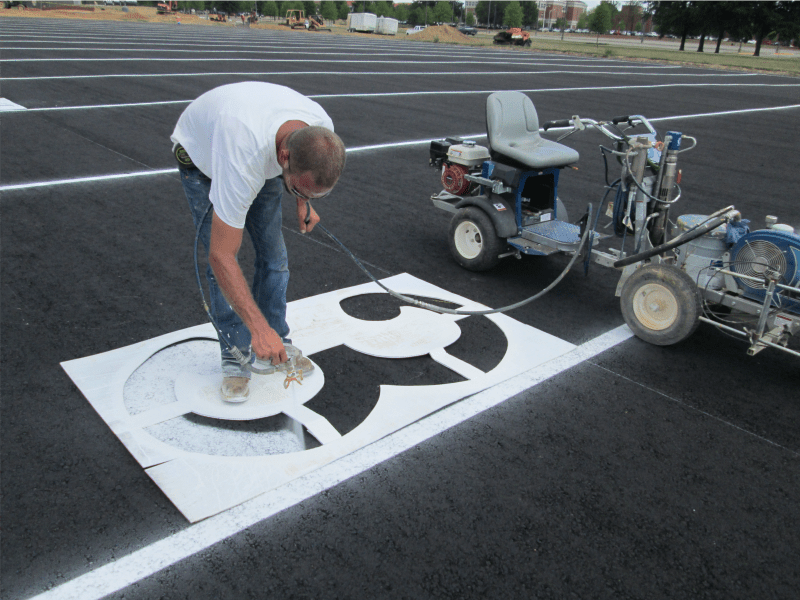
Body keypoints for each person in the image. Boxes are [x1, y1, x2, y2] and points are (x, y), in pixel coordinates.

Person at [171, 82, 346, 402]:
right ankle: (235, 356)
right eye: (300, 189)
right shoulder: (242, 157)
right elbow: (221, 256)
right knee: (222, 266)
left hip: (259, 146)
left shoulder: (321, 131)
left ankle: (275, 342)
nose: (305, 196)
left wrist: (303, 199)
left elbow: (305, 175)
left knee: (274, 256)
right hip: (204, 154)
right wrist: (257, 328)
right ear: (284, 156)